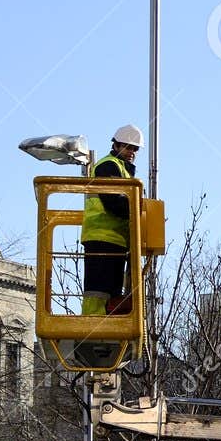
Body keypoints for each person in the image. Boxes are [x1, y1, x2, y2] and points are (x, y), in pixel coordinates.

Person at [79, 124, 142, 320]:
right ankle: (92, 323)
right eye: (128, 147)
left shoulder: (123, 170)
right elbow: (113, 201)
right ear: (116, 145)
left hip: (115, 239)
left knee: (111, 291)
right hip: (101, 236)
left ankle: (105, 321)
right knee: (99, 290)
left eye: (135, 148)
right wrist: (138, 213)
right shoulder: (108, 166)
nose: (131, 152)